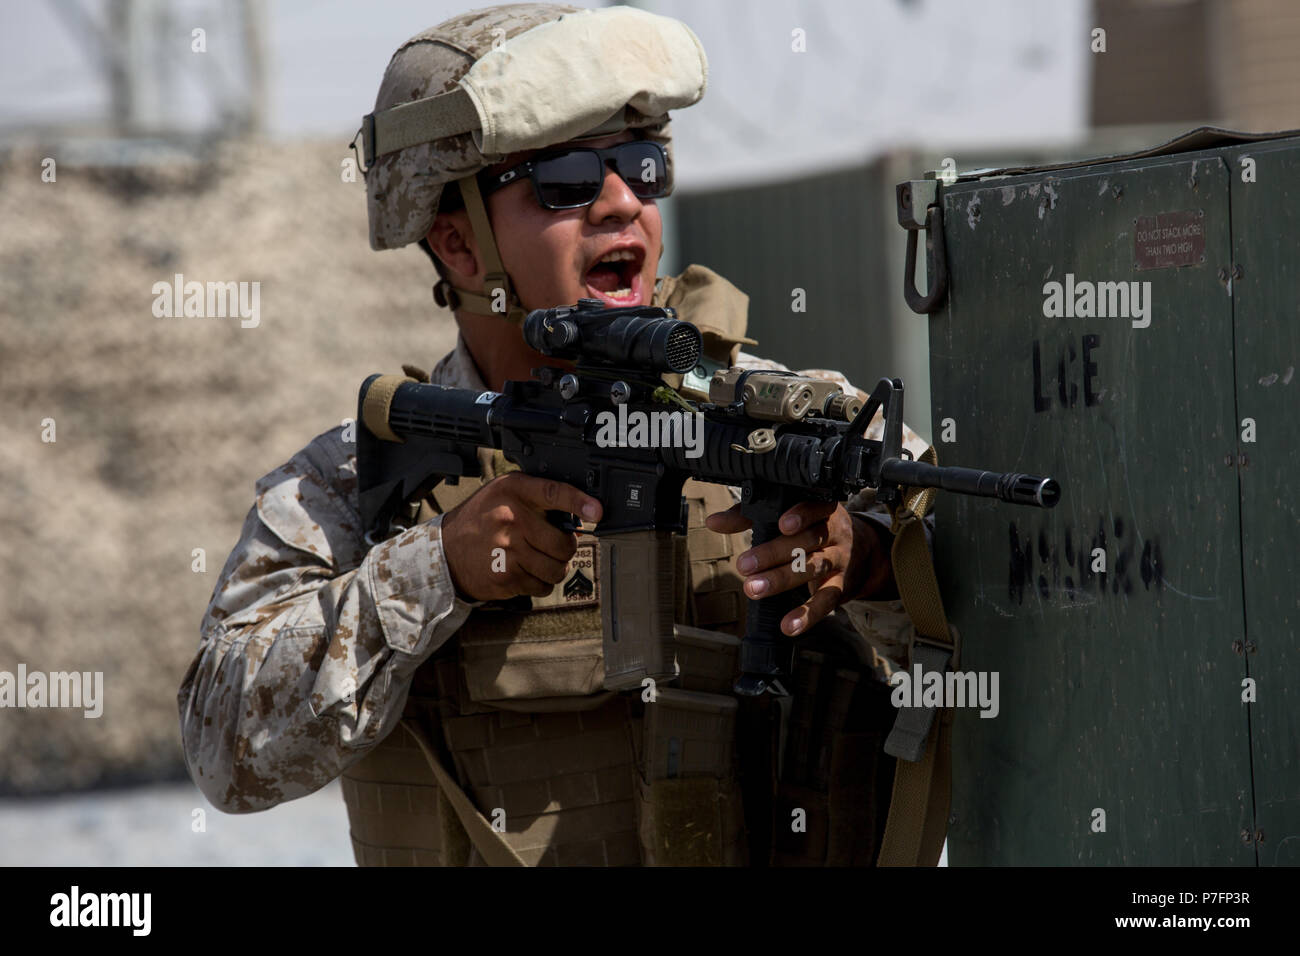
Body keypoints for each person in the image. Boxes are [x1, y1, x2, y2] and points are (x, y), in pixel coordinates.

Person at [179, 2, 933, 866]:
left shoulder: (790, 420)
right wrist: (435, 571)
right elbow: (223, 750)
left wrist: (868, 559)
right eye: (567, 180)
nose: (623, 205)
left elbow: (1014, 629)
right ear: (460, 246)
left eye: (643, 167)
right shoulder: (356, 480)